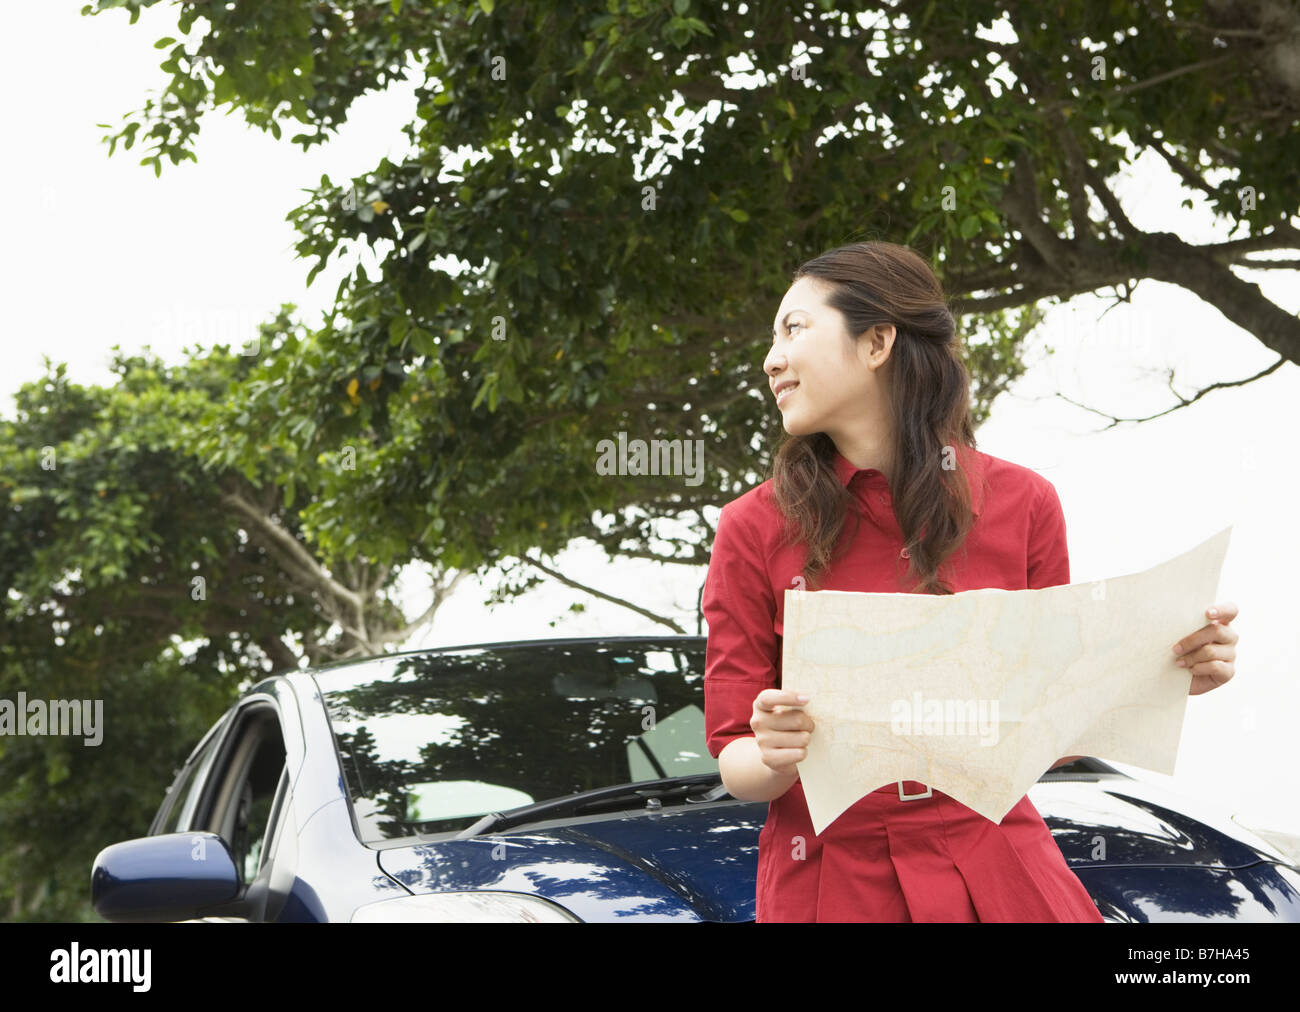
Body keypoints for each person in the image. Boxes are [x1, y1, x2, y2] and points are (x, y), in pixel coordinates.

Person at [701, 240, 1240, 922]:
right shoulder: (752, 528)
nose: (771, 358)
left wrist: (1168, 670)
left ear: (877, 342)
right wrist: (775, 754)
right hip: (830, 882)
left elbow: (1046, 726)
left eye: (794, 328)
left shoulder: (1024, 504)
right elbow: (736, 761)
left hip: (1002, 869)